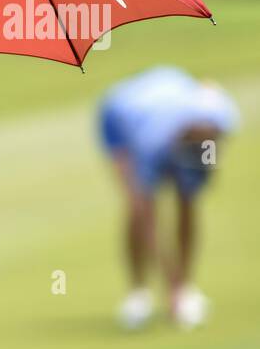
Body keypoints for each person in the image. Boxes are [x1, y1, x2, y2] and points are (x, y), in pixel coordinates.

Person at [97, 65, 240, 330]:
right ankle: (138, 292)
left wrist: (179, 290)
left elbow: (200, 183)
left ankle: (186, 287)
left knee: (188, 199)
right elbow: (149, 219)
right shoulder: (150, 141)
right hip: (119, 114)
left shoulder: (223, 116)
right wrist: (169, 285)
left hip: (171, 88)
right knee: (137, 207)